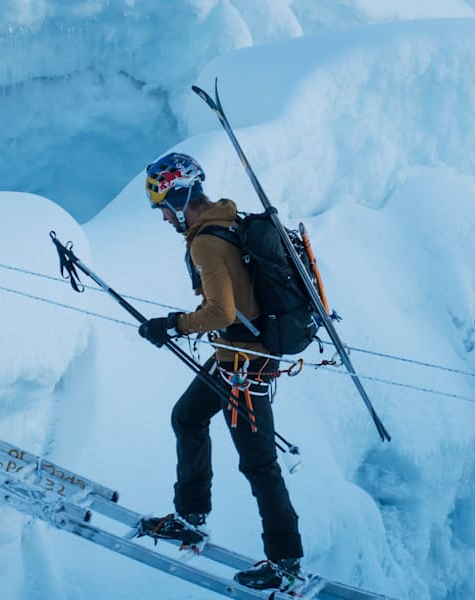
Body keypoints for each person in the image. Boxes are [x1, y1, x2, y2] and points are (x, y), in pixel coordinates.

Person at [134, 152, 305, 592]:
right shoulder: (226, 219)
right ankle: (190, 517)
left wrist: (172, 324)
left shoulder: (204, 241)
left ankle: (285, 561)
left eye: (164, 207)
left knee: (259, 463)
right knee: (187, 416)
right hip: (237, 352)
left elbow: (220, 310)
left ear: (177, 196)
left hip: (244, 365)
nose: (164, 217)